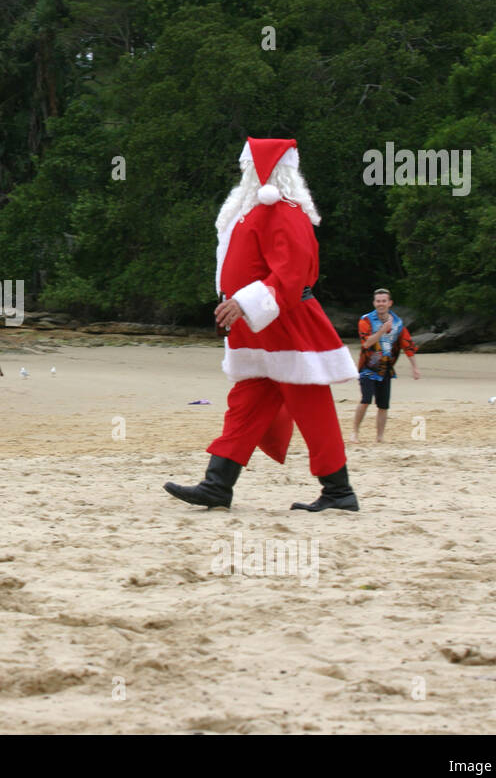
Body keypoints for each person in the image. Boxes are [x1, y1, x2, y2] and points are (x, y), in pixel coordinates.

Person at [163, 137, 361, 512]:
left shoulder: (282, 210)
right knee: (247, 404)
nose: (243, 171)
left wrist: (243, 302)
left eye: (247, 165)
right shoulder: (258, 209)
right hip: (261, 327)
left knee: (311, 407)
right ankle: (217, 484)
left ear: (266, 169)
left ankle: (338, 492)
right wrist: (235, 305)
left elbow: (290, 274)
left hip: (287, 324)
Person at [353, 288, 420, 442]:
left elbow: (407, 345)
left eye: (384, 301)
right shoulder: (366, 320)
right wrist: (382, 331)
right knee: (365, 400)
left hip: (386, 369)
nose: (381, 304)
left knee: (383, 405)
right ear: (374, 303)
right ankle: (355, 432)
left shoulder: (398, 323)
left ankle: (380, 436)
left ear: (390, 303)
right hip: (367, 368)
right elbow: (366, 343)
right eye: (378, 301)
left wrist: (414, 367)